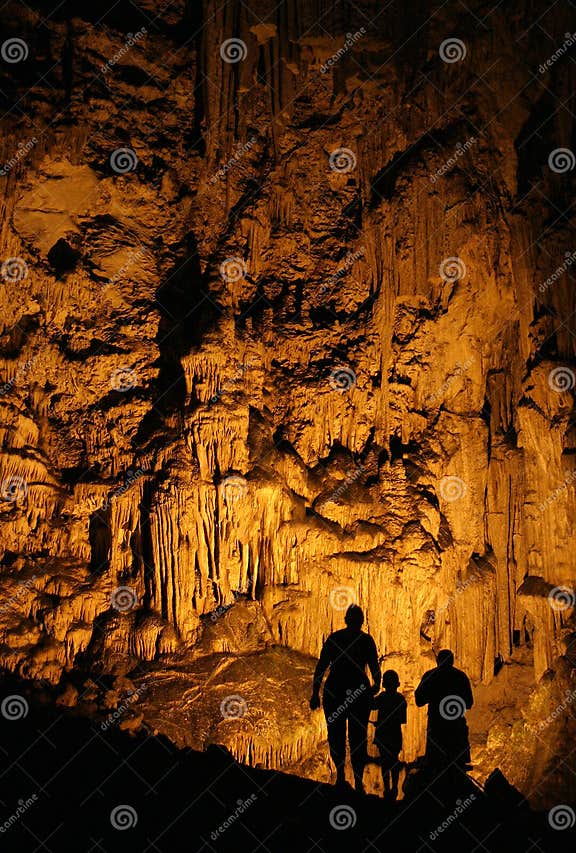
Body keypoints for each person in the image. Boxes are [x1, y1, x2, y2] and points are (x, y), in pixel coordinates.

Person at [310, 604, 381, 793]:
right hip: (358, 690)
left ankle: (341, 775)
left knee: (336, 734)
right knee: (358, 736)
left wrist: (315, 692)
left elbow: (321, 666)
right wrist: (376, 685)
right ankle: (358, 781)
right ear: (361, 622)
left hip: (336, 690)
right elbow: (375, 667)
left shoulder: (335, 638)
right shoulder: (366, 640)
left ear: (346, 620)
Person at [415, 649, 473, 771]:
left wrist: (434, 696)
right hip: (455, 728)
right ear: (452, 661)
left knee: (436, 766)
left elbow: (419, 700)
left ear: (437, 661)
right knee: (456, 768)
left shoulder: (430, 676)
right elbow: (469, 703)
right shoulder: (460, 677)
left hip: (436, 728)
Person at [371, 669, 407, 799]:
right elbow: (402, 720)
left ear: (384, 685)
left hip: (382, 734)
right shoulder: (401, 699)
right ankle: (395, 788)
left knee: (385, 762)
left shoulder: (381, 697)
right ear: (397, 684)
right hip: (395, 735)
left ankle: (387, 789)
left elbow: (372, 705)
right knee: (394, 761)